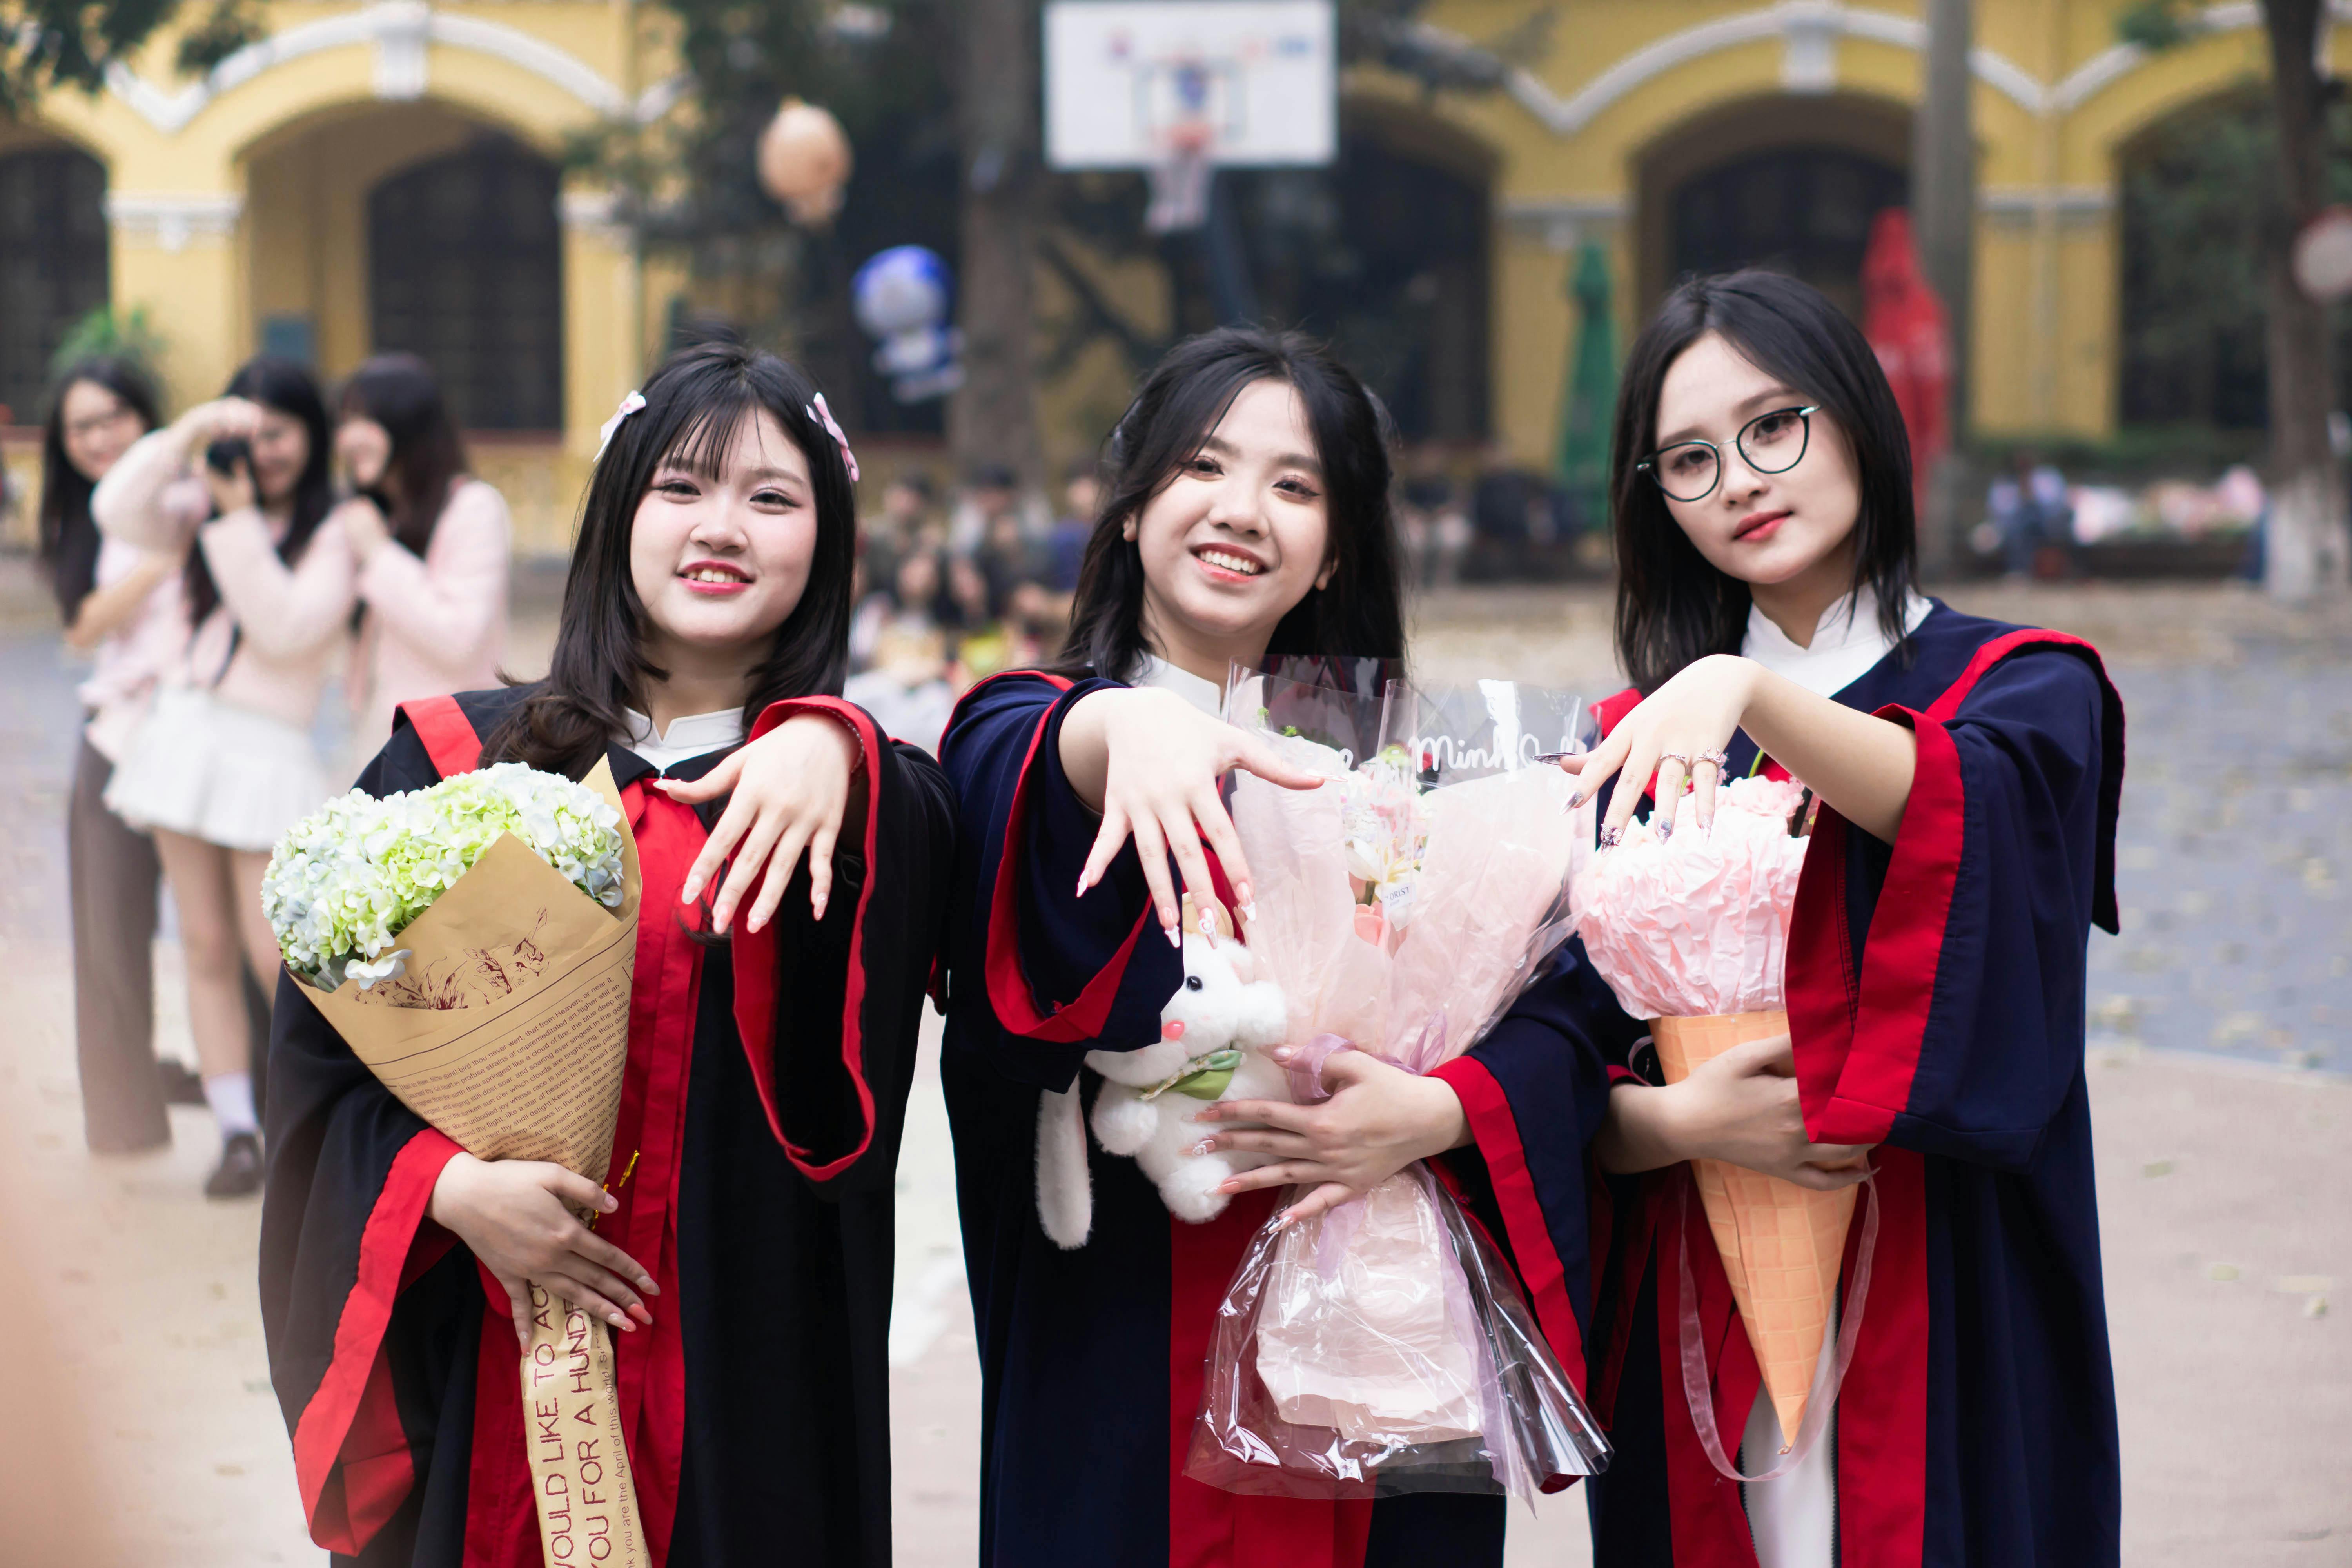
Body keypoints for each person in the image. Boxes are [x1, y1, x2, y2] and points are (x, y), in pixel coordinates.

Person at [937, 326, 1634, 1567]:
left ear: (1332, 554)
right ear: (1134, 505)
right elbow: (1019, 801)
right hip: (1128, 1361)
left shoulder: (1413, 782)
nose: (1241, 511)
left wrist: (1444, 1107)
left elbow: (1572, 1006)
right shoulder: (1030, 728)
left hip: (1379, 1359)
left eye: (1294, 485)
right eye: (1203, 466)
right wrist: (1118, 731)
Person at [258, 338, 955, 1566]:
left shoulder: (849, 797)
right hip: (485, 1350)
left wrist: (837, 739)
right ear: (618, 517)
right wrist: (446, 1190)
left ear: (827, 537)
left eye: (772, 497)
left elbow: (949, 852)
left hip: (743, 1385)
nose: (720, 527)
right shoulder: (456, 765)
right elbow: (321, 1071)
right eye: (679, 487)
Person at [1564, 270, 2124, 1566]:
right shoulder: (1627, 745)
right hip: (1695, 1295)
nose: (1743, 481)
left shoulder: (2025, 686)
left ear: (1861, 421)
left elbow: (1970, 812)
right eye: (1689, 462)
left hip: (1948, 1282)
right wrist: (1663, 1123)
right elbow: (1557, 1035)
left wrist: (1742, 695)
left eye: (1775, 426)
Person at [94, 354, 356, 1197]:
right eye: (253, 432)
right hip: (185, 739)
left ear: (311, 437)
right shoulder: (198, 507)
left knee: (275, 954)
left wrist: (239, 518)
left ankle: (310, 1122)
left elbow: (285, 629)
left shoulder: (337, 531)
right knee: (202, 943)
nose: (266, 449)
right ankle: (239, 1129)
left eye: (281, 432)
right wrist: (193, 430)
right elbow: (115, 506)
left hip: (268, 751)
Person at [36, 355, 193, 1152]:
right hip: (114, 738)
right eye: (80, 427)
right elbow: (82, 625)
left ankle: (262, 1104)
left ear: (145, 415)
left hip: (204, 734)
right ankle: (126, 1121)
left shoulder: (192, 488)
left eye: (111, 418)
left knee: (234, 933)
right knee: (108, 938)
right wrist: (167, 559)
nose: (98, 437)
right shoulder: (83, 517)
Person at [334, 352, 512, 754]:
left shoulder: (474, 507)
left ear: (410, 424)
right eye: (344, 423)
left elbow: (458, 638)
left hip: (454, 749)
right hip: (385, 741)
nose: (348, 438)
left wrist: (378, 553)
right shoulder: (381, 517)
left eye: (365, 419)